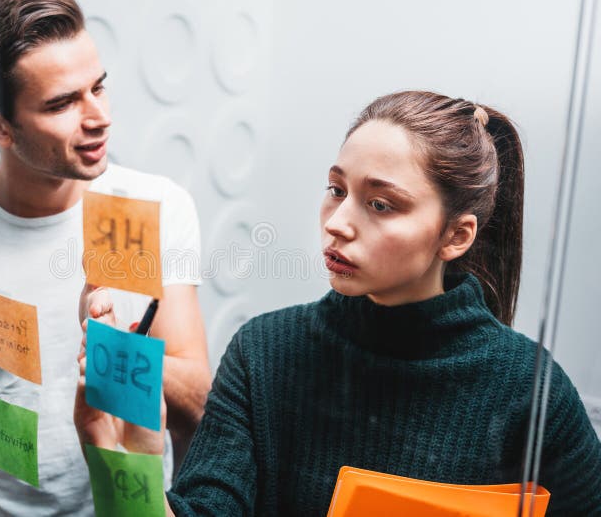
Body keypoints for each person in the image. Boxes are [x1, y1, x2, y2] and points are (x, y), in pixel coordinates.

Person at [75, 91, 601, 515]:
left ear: (455, 236)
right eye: (335, 188)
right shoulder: (264, 353)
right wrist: (133, 463)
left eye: (380, 204)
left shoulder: (530, 388)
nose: (336, 222)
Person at [0, 0, 211, 515]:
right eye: (62, 103)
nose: (98, 116)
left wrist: (118, 354)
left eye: (98, 88)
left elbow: (198, 404)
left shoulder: (155, 207)